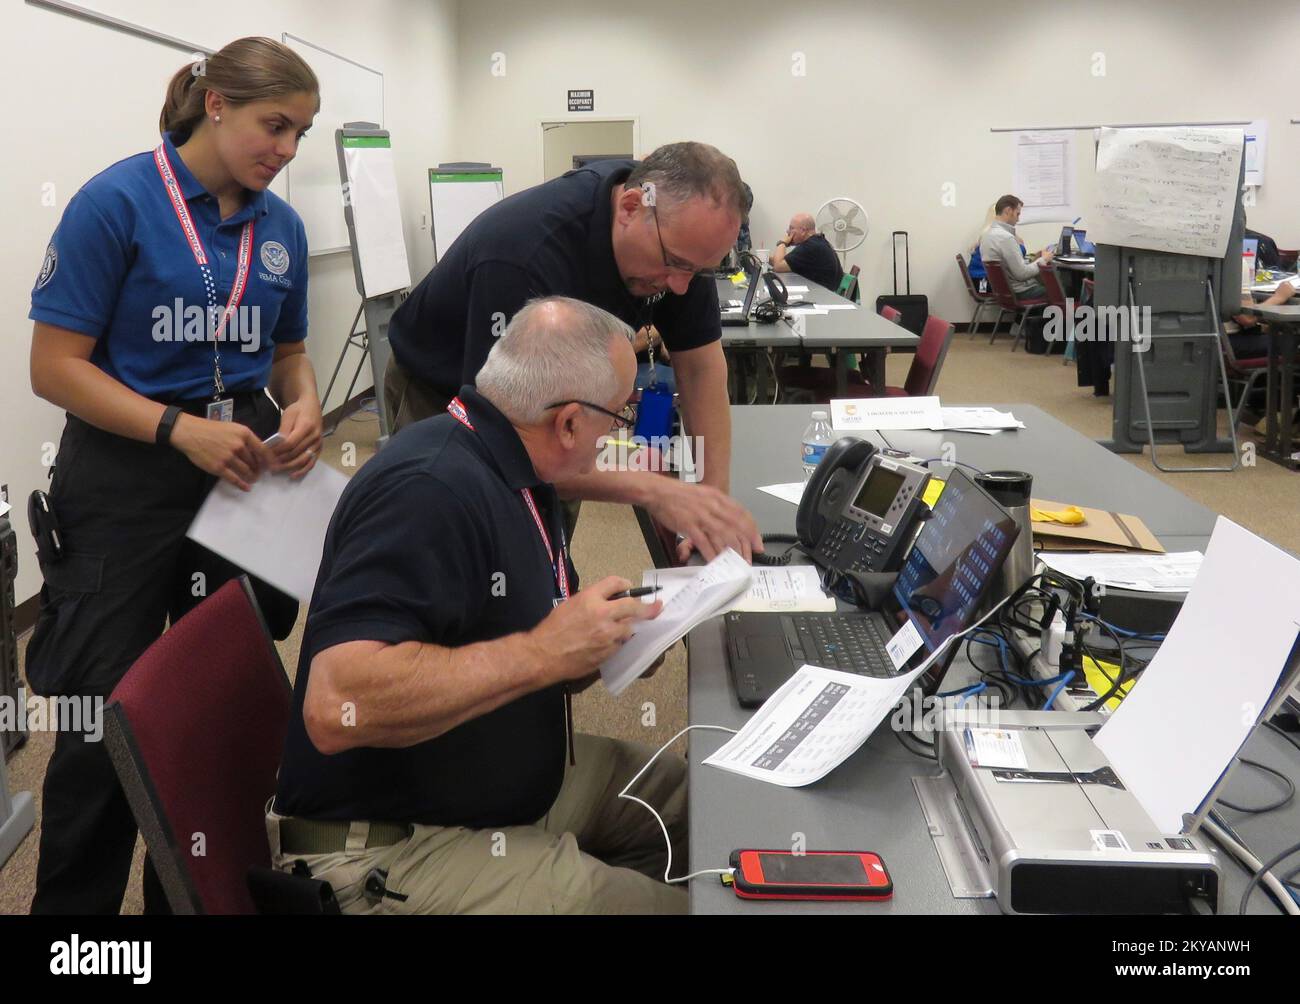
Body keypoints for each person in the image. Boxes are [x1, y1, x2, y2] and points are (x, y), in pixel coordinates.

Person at [25, 36, 322, 914]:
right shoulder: (114, 203)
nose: (289, 151)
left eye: (303, 134)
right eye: (275, 126)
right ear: (217, 104)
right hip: (124, 480)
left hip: (237, 473)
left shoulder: (283, 227)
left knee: (215, 711)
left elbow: (291, 353)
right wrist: (173, 429)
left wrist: (300, 404)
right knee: (100, 721)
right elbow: (54, 367)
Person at [270, 297, 688, 914]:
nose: (618, 433)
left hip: (499, 781)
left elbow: (526, 634)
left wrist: (602, 640)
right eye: (620, 414)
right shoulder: (427, 490)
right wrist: (546, 651)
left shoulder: (513, 465)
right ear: (570, 422)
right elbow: (337, 707)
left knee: (690, 800)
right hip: (383, 846)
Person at [382, 141, 760, 562]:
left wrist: (711, 502)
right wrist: (655, 490)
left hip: (571, 395)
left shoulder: (677, 238)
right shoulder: (523, 253)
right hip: (442, 387)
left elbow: (701, 371)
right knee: (462, 541)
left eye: (698, 271)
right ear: (630, 207)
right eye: (676, 264)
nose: (681, 287)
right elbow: (504, 441)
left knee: (544, 544)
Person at [978, 194, 1054, 300]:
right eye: (1017, 214)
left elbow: (1013, 267)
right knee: (1065, 290)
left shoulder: (987, 235)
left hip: (1004, 292)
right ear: (1008, 211)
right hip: (1020, 292)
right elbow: (1022, 274)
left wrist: (1035, 260)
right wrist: (1044, 259)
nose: (1018, 219)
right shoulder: (1005, 238)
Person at [770, 212, 843, 292]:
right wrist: (763, 259)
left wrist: (782, 243)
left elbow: (778, 266)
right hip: (821, 292)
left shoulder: (810, 247)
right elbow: (783, 263)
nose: (788, 232)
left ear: (803, 231)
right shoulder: (816, 241)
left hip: (821, 296)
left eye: (791, 228)